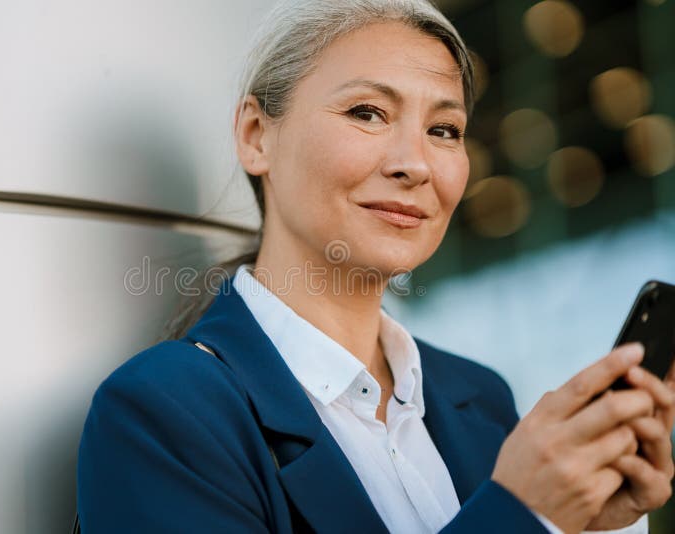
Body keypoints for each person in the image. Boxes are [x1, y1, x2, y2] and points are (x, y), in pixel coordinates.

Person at [76, 1, 675, 532]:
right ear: (257, 135)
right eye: (367, 112)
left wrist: (584, 526)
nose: (414, 163)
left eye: (444, 129)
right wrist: (522, 513)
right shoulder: (166, 412)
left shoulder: (482, 399)